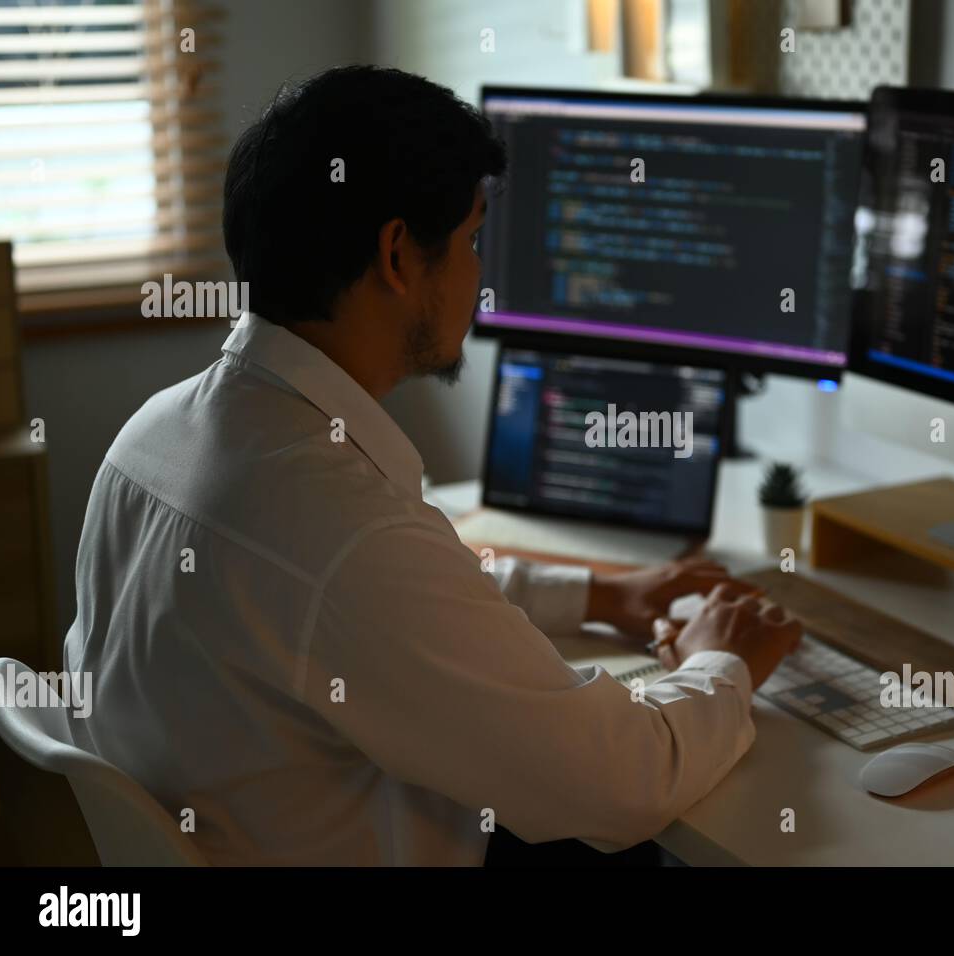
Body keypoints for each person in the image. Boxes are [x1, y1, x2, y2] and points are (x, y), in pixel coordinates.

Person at [63, 66, 801, 866]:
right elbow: (629, 784)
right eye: (474, 238)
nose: (482, 277)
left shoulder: (154, 437)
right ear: (398, 254)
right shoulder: (340, 527)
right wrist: (719, 661)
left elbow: (399, 603)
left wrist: (602, 594)